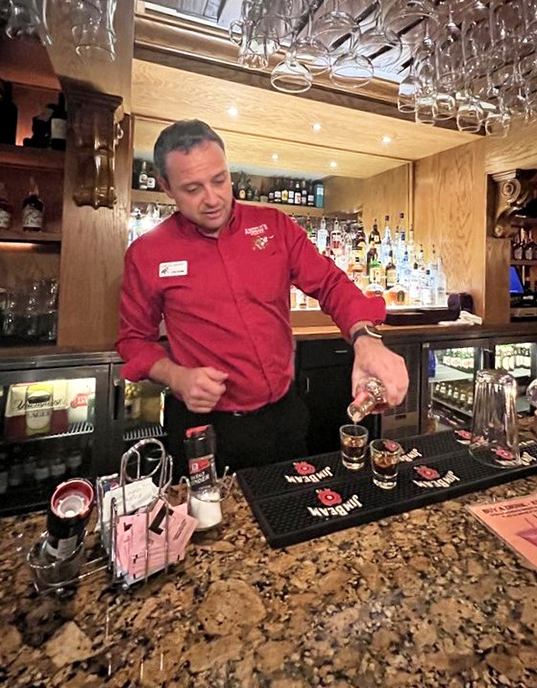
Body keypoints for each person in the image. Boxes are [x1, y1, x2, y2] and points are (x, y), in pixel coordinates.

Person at [117, 120, 409, 475]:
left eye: (220, 180)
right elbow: (134, 341)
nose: (212, 199)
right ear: (165, 187)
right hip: (203, 427)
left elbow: (331, 283)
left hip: (283, 416)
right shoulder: (147, 252)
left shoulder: (275, 226)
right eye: (192, 188)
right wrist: (175, 375)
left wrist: (366, 339)